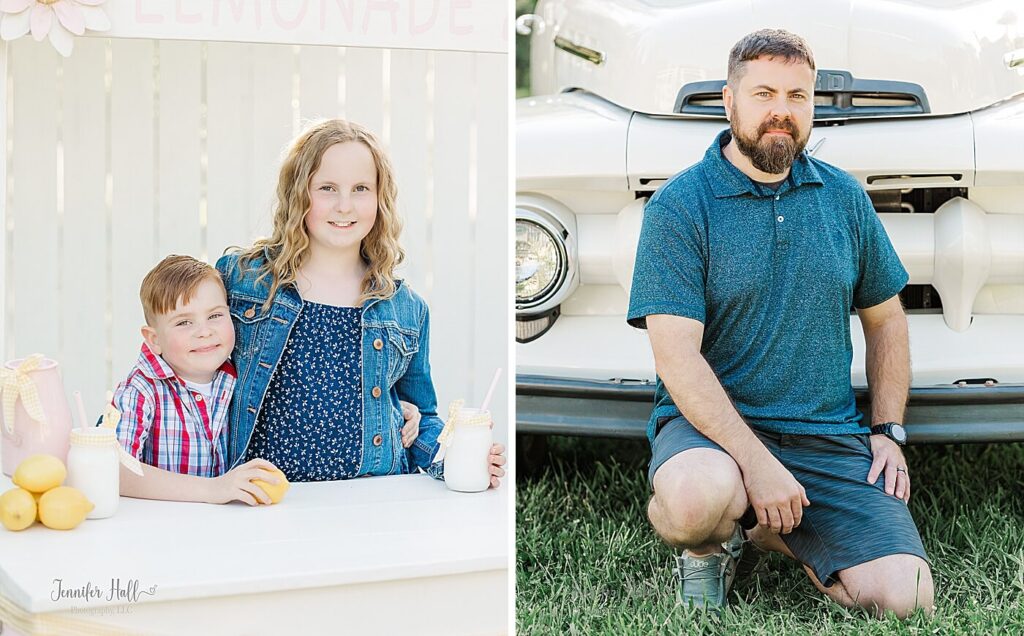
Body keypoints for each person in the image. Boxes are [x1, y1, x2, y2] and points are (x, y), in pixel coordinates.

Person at [626, 29, 933, 617]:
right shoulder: (679, 207)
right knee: (695, 502)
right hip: (711, 434)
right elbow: (676, 359)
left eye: (798, 96)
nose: (781, 113)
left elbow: (887, 320)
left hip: (827, 435)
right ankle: (710, 543)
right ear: (729, 100)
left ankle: (764, 528)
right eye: (764, 93)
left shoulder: (843, 198)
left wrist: (888, 429)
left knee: (907, 599)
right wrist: (759, 465)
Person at [216, 119, 506, 485]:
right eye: (327, 188)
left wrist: (456, 457)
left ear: (379, 198)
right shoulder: (243, 280)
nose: (344, 206)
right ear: (298, 194)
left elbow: (426, 418)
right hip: (264, 497)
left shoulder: (404, 307)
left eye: (360, 189)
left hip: (370, 496)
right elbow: (191, 372)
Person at [112, 255, 285, 505]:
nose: (204, 331)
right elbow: (116, 469)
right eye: (184, 322)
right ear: (154, 339)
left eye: (215, 316)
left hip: (222, 526)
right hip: (159, 525)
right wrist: (213, 490)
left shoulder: (240, 378)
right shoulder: (141, 390)